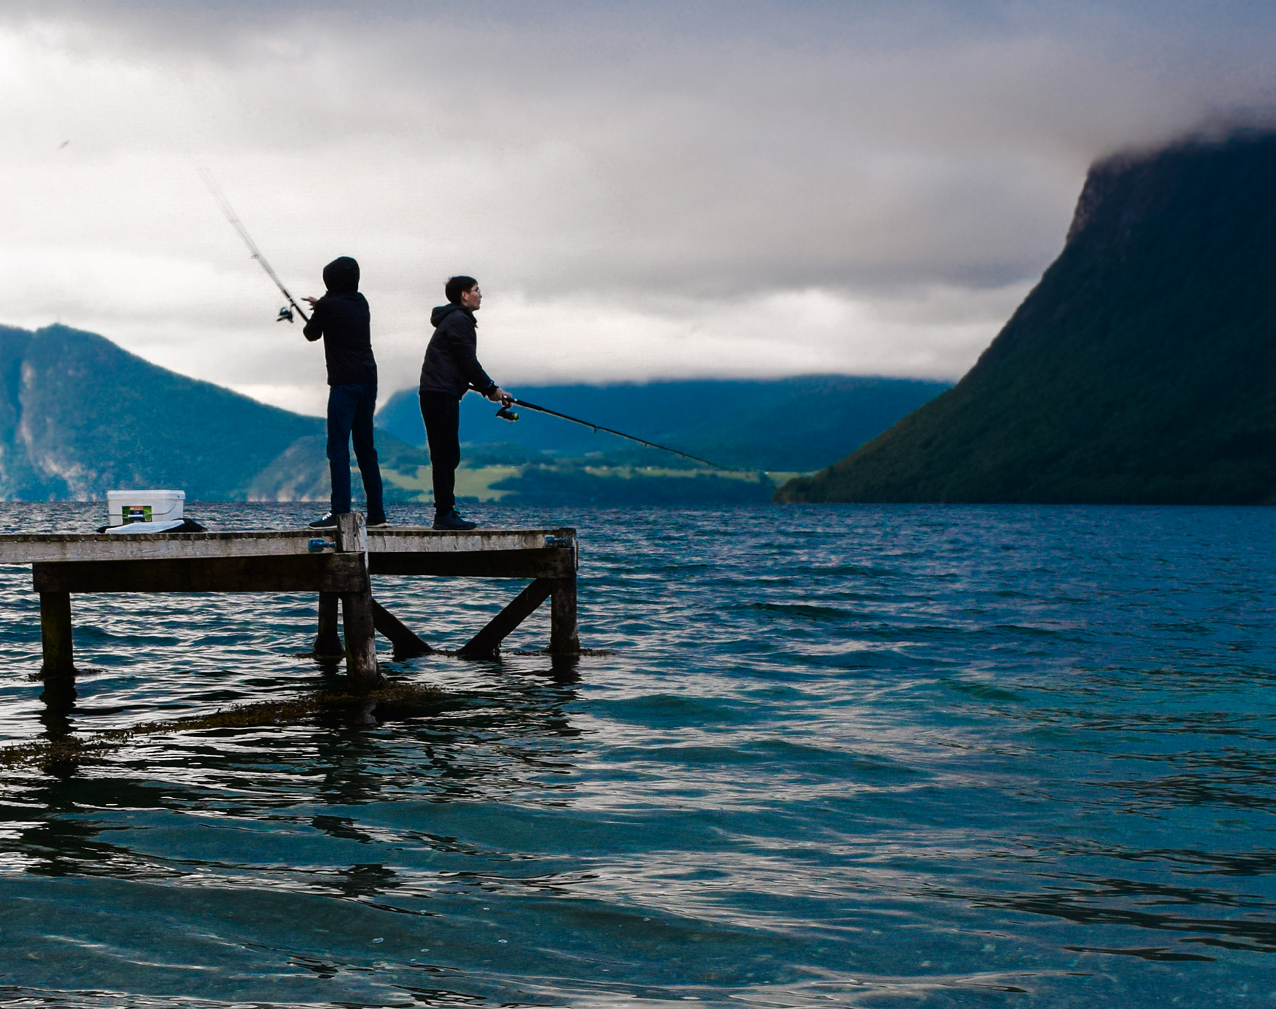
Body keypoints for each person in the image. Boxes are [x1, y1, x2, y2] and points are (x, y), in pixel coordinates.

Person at [418, 275, 511, 530]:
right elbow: (467, 362)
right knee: (446, 454)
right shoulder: (460, 321)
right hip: (440, 393)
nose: (480, 294)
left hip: (437, 392)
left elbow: (459, 364)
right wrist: (491, 389)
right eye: (476, 290)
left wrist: (488, 390)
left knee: (446, 453)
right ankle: (445, 514)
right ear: (464, 295)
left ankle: (446, 512)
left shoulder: (452, 320)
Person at [301, 256, 387, 530]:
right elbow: (337, 309)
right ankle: (377, 515)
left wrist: (320, 308)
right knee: (366, 448)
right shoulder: (361, 302)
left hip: (343, 385)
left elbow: (310, 334)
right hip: (368, 382)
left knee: (338, 447)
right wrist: (323, 305)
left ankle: (340, 512)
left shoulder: (327, 306)